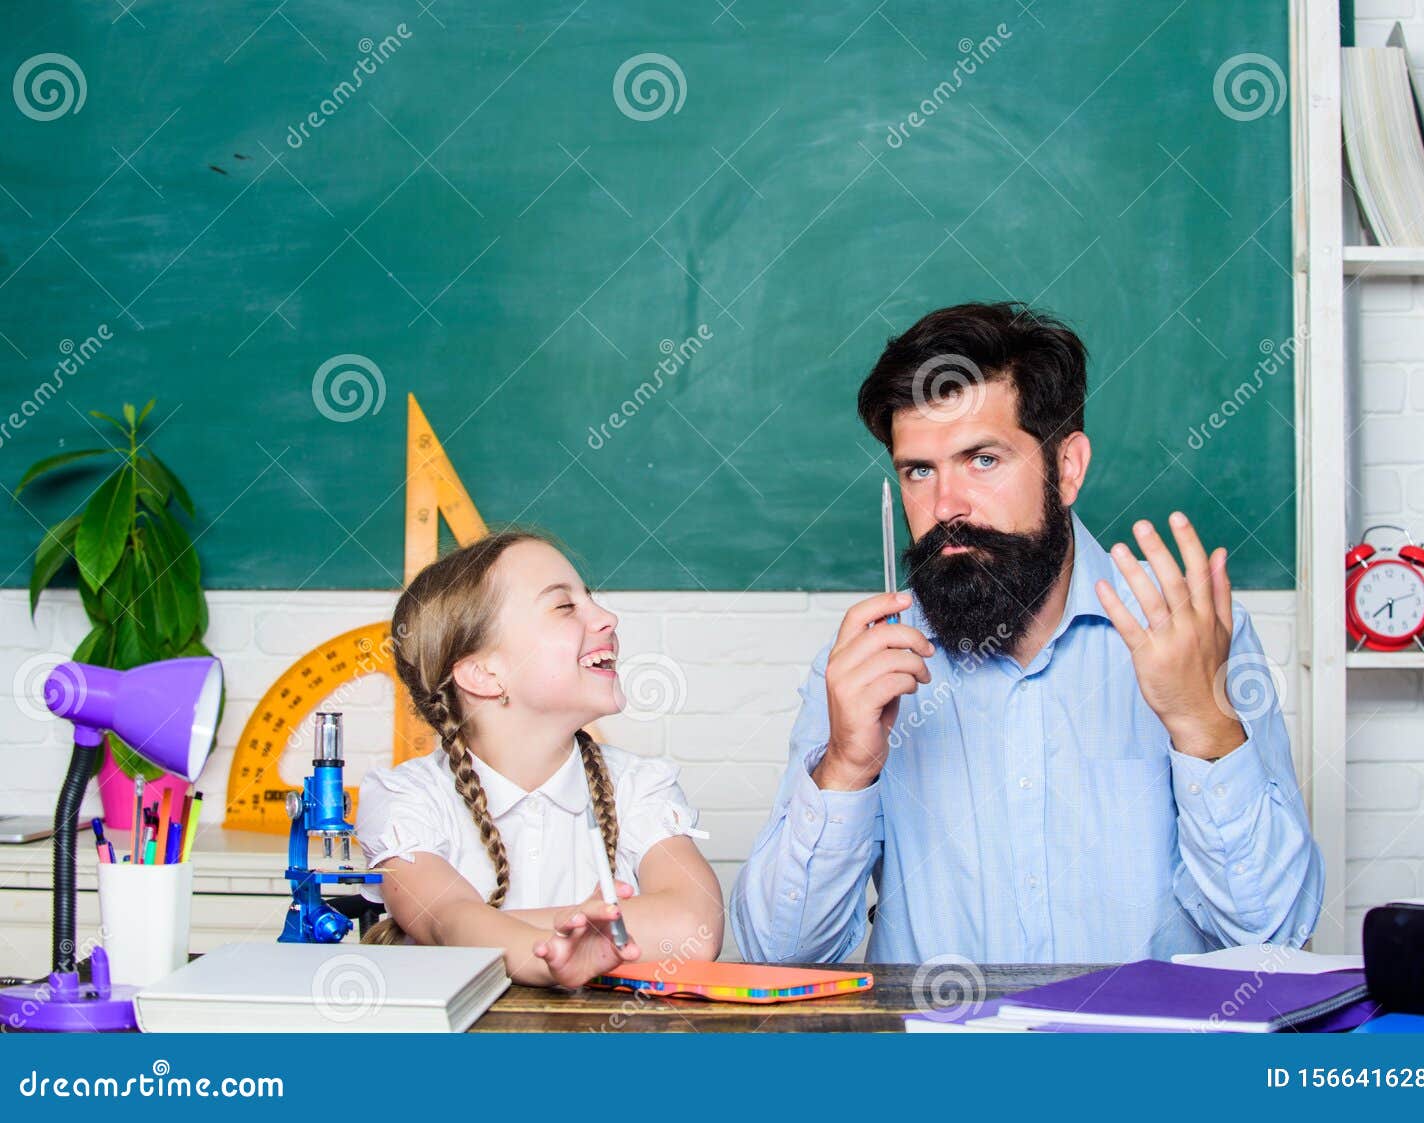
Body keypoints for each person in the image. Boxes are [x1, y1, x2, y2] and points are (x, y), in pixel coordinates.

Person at [731, 301, 1324, 963]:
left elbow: (1277, 936)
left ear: (1066, 467)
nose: (945, 505)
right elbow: (779, 960)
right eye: (918, 470)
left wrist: (1201, 723)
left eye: (982, 459)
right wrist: (846, 766)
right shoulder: (866, 667)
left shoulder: (1194, 638)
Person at [357, 530, 723, 986]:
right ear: (484, 673)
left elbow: (695, 927)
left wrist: (497, 934)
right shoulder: (408, 799)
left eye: (589, 599)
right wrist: (559, 954)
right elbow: (446, 920)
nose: (608, 618)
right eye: (564, 607)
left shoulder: (639, 786)